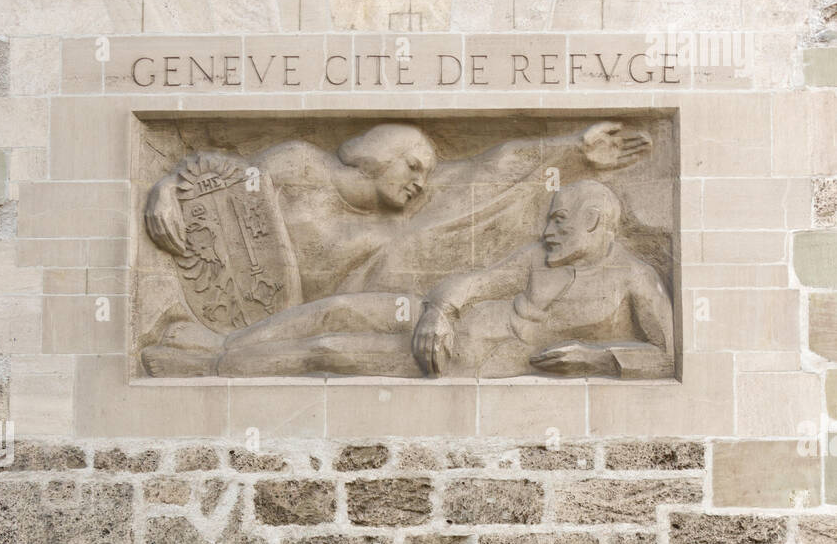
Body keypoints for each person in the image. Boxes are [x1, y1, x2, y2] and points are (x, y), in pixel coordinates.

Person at [142, 118, 653, 375]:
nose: (420, 182)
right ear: (378, 154)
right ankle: (218, 348)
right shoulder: (300, 165)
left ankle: (213, 361)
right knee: (331, 317)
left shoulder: (408, 218)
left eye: (428, 173)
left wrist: (573, 149)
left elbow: (493, 165)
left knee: (331, 339)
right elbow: (218, 181)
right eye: (412, 165)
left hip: (449, 336)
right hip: (260, 300)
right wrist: (166, 191)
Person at [216, 180, 674, 381]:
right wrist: (440, 311)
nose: (547, 232)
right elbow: (478, 281)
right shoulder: (537, 257)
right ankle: (226, 343)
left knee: (331, 350)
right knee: (338, 308)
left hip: (470, 357)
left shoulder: (635, 279)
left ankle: (210, 366)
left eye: (558, 221)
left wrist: (596, 361)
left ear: (593, 220)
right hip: (441, 326)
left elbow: (667, 355)